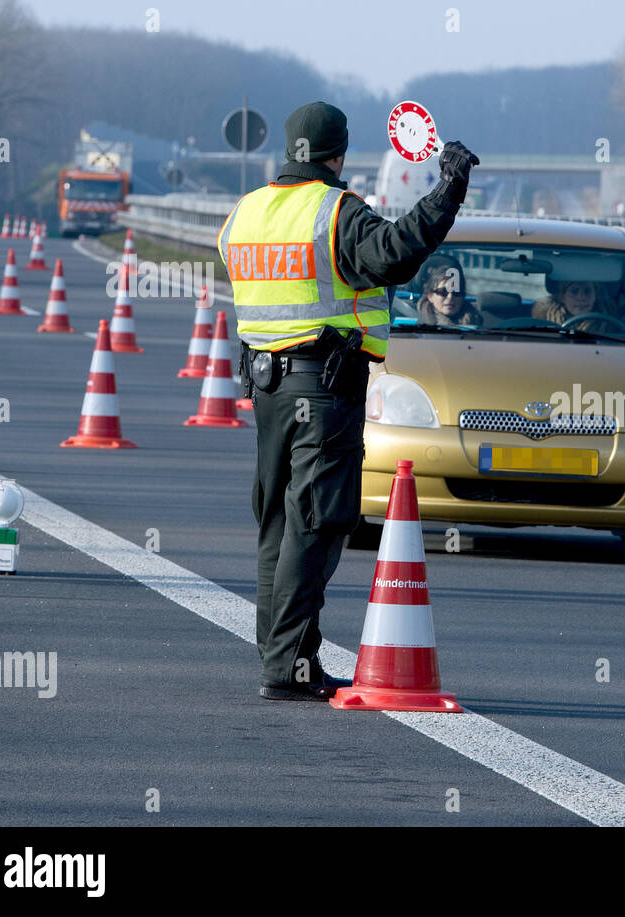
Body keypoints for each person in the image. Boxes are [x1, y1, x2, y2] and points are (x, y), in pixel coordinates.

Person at [218, 101, 478, 701]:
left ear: (289, 151)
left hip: (265, 385)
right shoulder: (336, 211)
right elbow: (395, 253)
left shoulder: (247, 211)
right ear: (337, 155)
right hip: (322, 386)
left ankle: (283, 656)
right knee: (317, 521)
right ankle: (288, 667)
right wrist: (448, 191)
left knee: (279, 520)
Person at [531, 279, 625, 333]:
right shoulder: (542, 323)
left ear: (595, 296)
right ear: (562, 297)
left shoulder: (612, 325)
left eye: (587, 291)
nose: (581, 297)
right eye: (574, 291)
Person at [415, 254, 482, 326]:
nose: (450, 297)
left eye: (456, 292)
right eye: (443, 292)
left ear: (463, 296)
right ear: (430, 296)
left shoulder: (479, 325)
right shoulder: (414, 322)